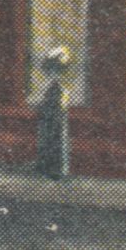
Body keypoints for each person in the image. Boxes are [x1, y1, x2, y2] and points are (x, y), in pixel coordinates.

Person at [32, 47, 74, 181]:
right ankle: (50, 167)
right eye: (51, 70)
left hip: (54, 116)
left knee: (54, 141)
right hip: (51, 116)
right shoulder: (54, 86)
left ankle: (54, 169)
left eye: (55, 70)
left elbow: (59, 103)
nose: (52, 73)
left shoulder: (57, 87)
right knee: (50, 140)